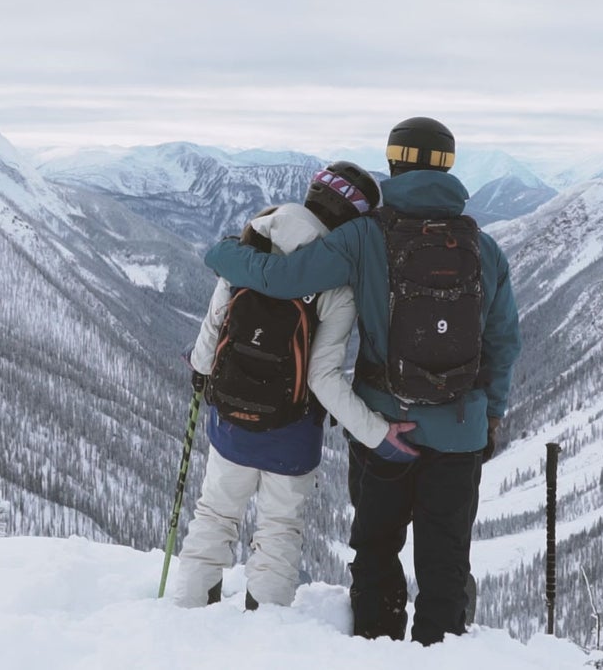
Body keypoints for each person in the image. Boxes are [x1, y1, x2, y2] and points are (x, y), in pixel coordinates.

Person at [203, 117, 522, 645]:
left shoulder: (363, 236)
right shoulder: (483, 248)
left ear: (394, 161)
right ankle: (442, 652)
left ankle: (376, 647)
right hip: (460, 432)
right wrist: (489, 415)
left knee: (376, 550)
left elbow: (282, 280)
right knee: (445, 559)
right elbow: (503, 342)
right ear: (449, 166)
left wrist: (221, 253)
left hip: (384, 430)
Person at [173, 161, 416, 610]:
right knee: (279, 528)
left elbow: (215, 324)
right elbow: (323, 378)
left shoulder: (251, 245)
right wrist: (378, 434)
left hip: (230, 418)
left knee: (214, 516)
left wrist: (202, 369)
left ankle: (185, 611)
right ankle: (264, 630)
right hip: (292, 428)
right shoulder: (334, 281)